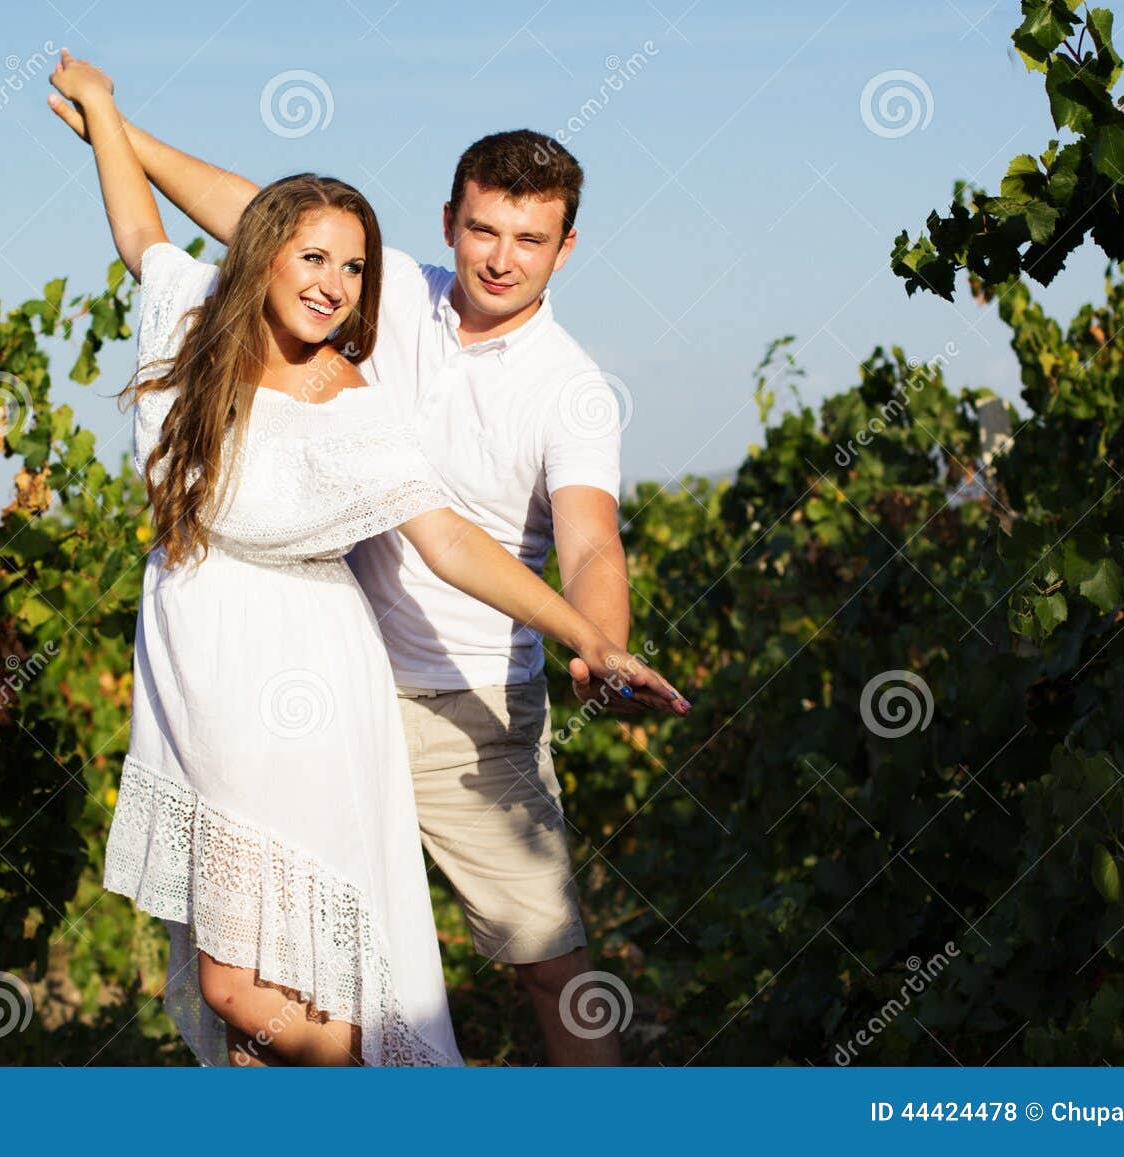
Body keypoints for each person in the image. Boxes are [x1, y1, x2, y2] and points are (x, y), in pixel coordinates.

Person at [49, 53, 687, 1067]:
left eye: (529, 238)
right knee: (267, 972)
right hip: (270, 686)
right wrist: (108, 122)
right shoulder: (385, 299)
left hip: (458, 694)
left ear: (565, 248)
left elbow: (582, 536)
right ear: (448, 223)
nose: (500, 257)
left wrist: (592, 638)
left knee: (540, 956)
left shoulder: (556, 387)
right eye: (483, 228)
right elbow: (244, 219)